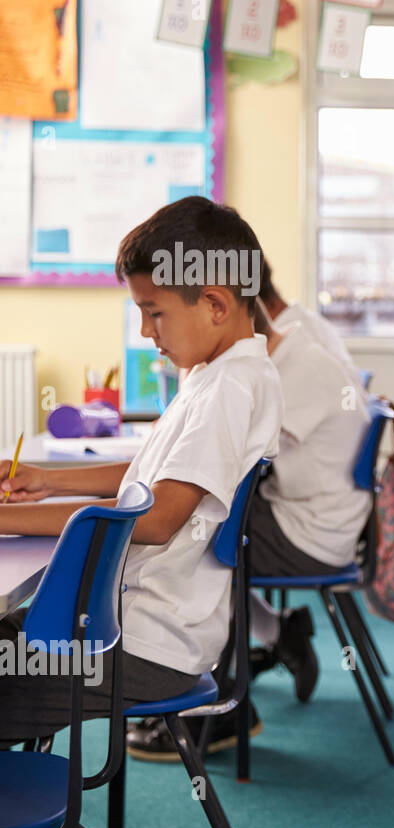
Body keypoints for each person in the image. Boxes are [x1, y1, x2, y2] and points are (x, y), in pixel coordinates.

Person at [0, 197, 283, 747]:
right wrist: (46, 479)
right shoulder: (219, 373)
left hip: (145, 645)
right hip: (134, 626)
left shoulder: (228, 389)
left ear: (215, 304)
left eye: (155, 312)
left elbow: (156, 519)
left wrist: (15, 519)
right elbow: (153, 473)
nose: (147, 331)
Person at [127, 301, 371, 759]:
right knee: (207, 523)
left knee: (202, 533)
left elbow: (240, 466)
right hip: (305, 512)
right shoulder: (287, 356)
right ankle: (275, 635)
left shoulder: (292, 370)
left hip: (311, 534)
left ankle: (222, 706)